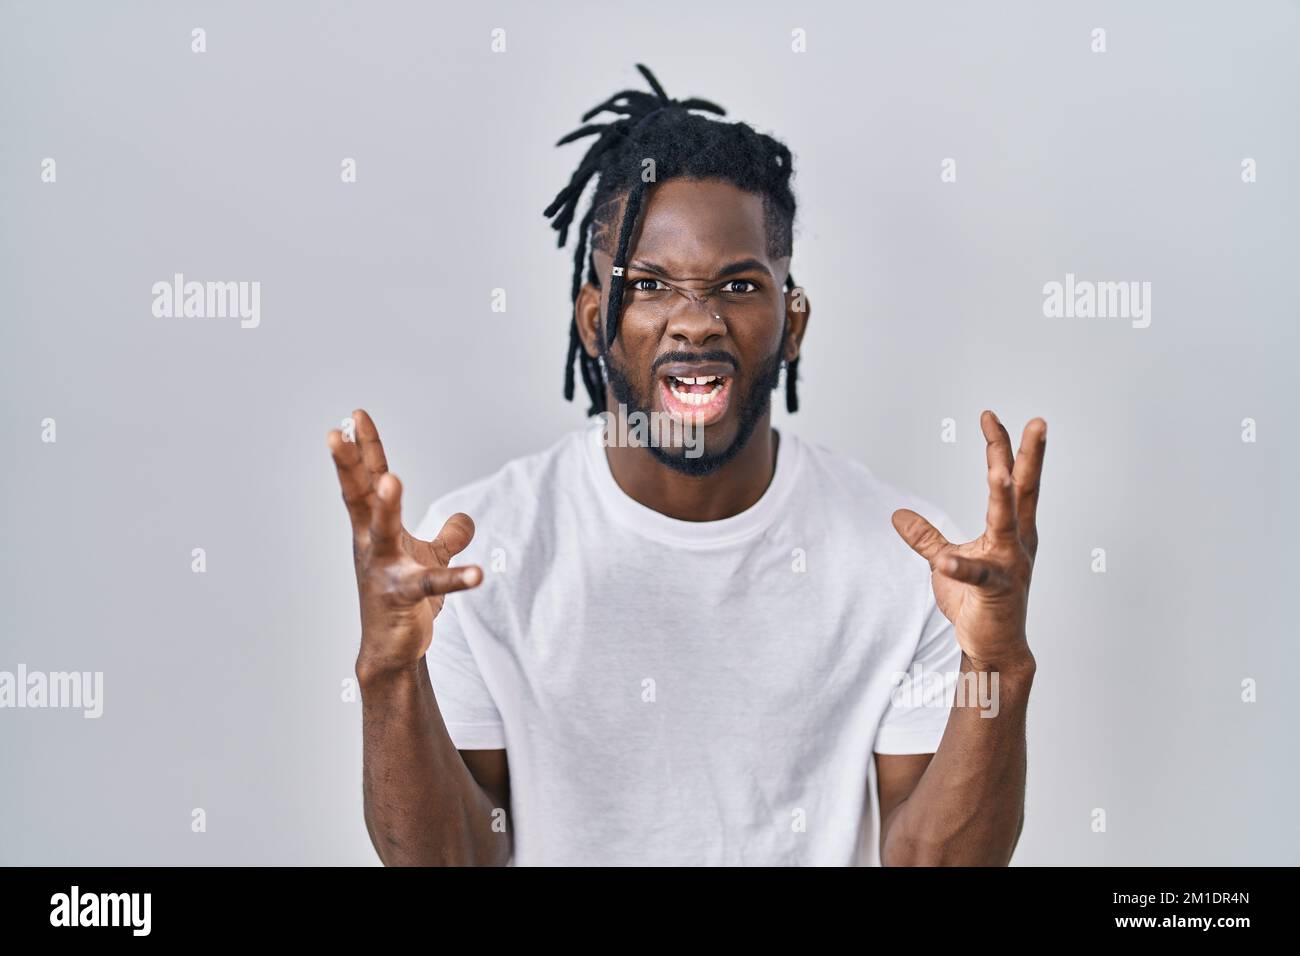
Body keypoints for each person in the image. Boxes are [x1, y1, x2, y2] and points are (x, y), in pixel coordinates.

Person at [326, 64, 1046, 866]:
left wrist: (1000, 664)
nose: (695, 324)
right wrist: (390, 673)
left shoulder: (915, 564)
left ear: (792, 322)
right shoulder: (474, 554)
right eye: (651, 286)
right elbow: (452, 861)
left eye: (737, 284)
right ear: (597, 319)